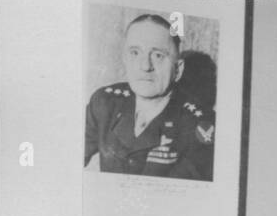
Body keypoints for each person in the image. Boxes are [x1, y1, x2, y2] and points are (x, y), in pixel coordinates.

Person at [84, 13, 215, 180]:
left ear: (178, 69)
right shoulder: (105, 103)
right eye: (135, 52)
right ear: (125, 58)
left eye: (158, 55)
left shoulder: (199, 126)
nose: (145, 66)